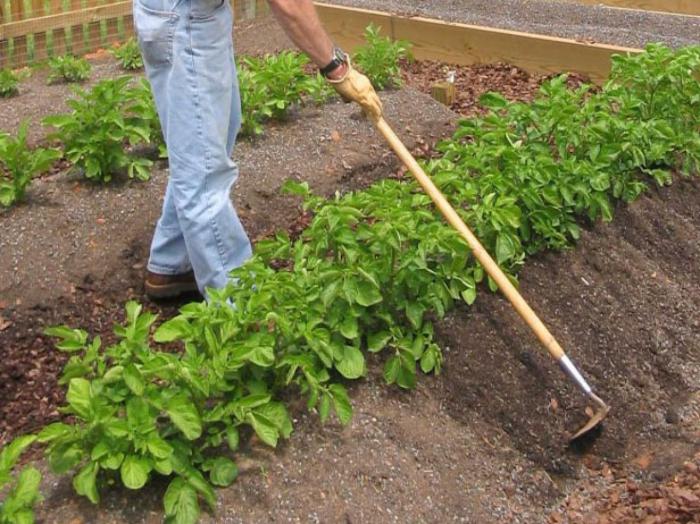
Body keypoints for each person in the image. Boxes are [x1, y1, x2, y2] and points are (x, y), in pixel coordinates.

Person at [135, 0, 383, 300]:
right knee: (203, 175)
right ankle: (241, 307)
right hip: (186, 19)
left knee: (207, 141)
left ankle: (172, 264)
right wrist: (336, 67)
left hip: (187, 11)